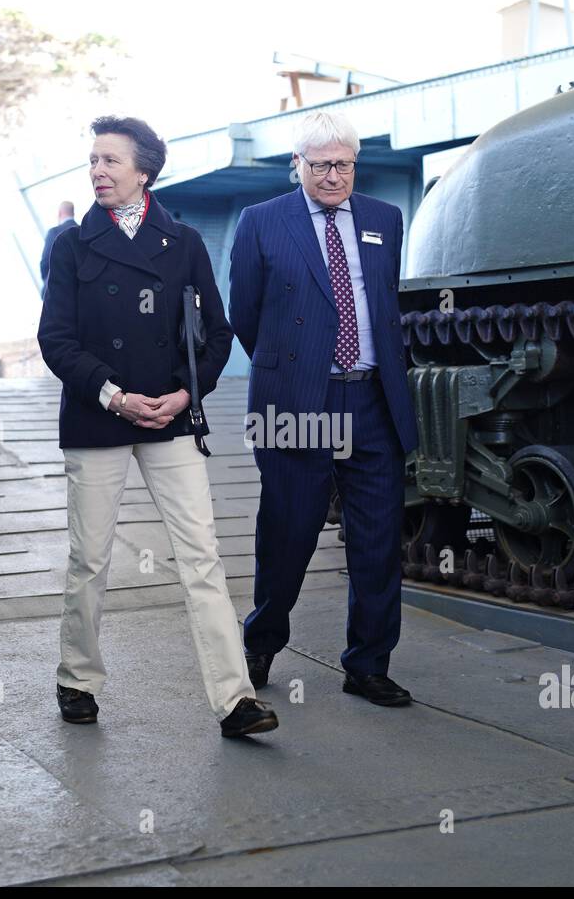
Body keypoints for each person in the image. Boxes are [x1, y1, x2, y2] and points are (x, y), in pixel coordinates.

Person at [37, 115, 277, 739]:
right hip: (99, 415)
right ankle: (78, 678)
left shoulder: (185, 242)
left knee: (202, 557)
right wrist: (115, 395)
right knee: (90, 559)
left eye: (110, 161)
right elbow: (55, 340)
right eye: (92, 160)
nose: (97, 171)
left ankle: (234, 700)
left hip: (171, 416)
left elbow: (218, 334)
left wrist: (182, 395)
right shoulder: (71, 245)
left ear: (143, 171)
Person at [228, 111, 420, 706]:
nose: (335, 176)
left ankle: (368, 664)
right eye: (322, 165)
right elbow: (244, 314)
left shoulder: (385, 220)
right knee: (288, 530)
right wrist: (298, 367)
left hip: (372, 400)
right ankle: (260, 643)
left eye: (344, 165)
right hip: (298, 400)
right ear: (298, 165)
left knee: (378, 540)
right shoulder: (261, 222)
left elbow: (388, 307)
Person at [39, 200, 76, 293]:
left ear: (59, 213)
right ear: (73, 213)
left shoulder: (54, 232)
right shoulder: (83, 230)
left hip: (62, 288)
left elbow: (45, 262)